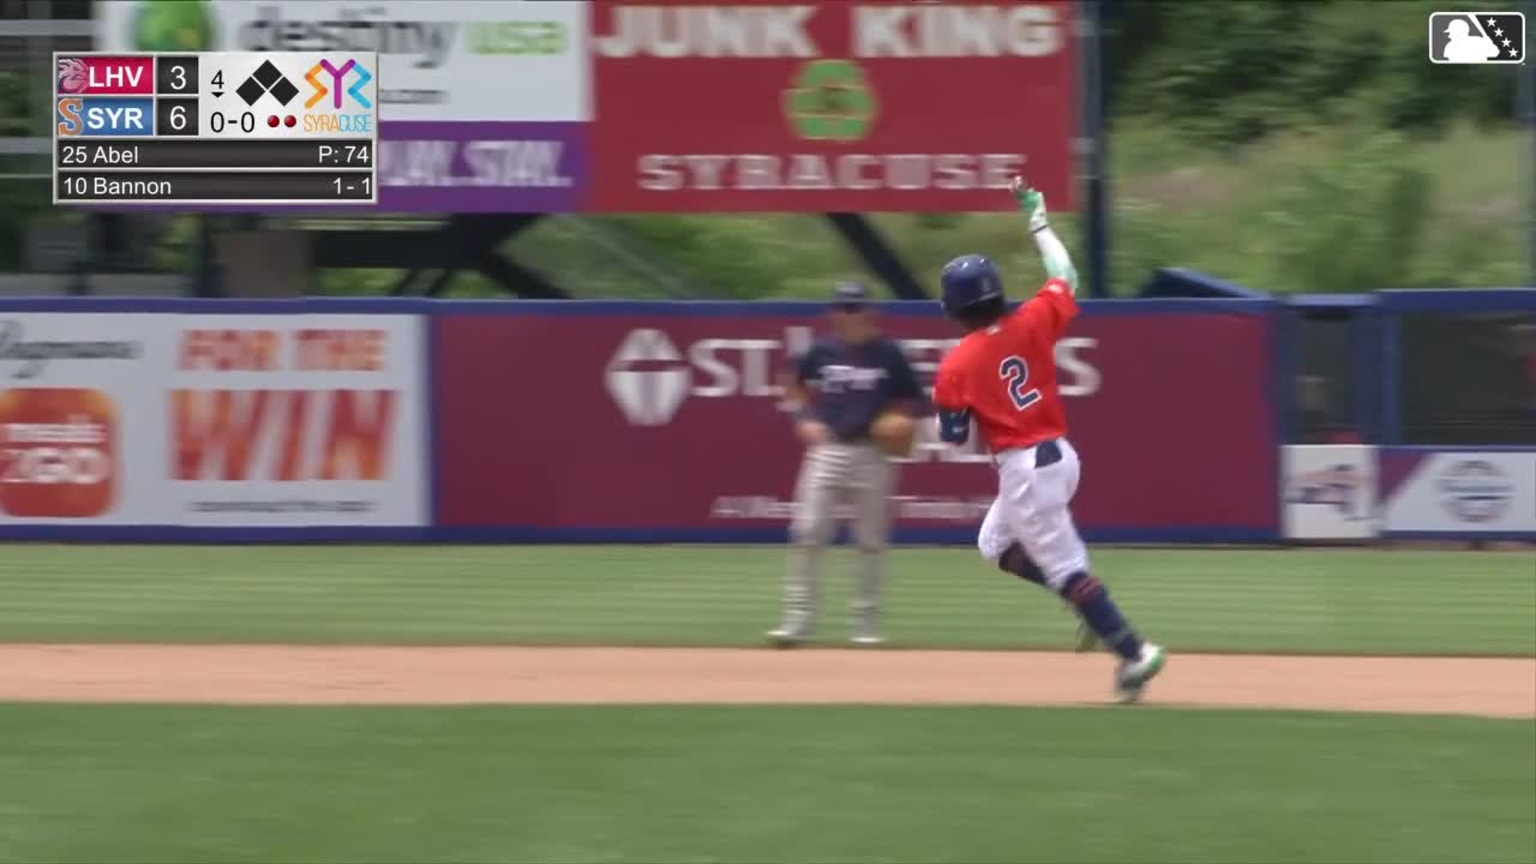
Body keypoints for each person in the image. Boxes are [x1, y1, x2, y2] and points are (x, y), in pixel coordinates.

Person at [930, 177, 1167, 703]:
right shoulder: (1032, 321)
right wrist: (1036, 215)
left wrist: (952, 408)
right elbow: (1066, 274)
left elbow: (952, 436)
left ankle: (1133, 652)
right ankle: (1082, 602)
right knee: (993, 544)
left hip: (1025, 468)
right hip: (1061, 458)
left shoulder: (955, 364)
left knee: (1066, 569)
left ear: (955, 308)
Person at [769, 282, 925, 647]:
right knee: (808, 532)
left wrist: (899, 420)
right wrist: (804, 418)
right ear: (834, 312)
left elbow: (914, 398)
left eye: (854, 307)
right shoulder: (821, 350)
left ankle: (865, 624)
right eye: (842, 307)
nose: (848, 314)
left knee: (870, 541)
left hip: (874, 452)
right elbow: (794, 385)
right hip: (830, 449)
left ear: (870, 311)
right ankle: (797, 622)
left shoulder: (889, 354)